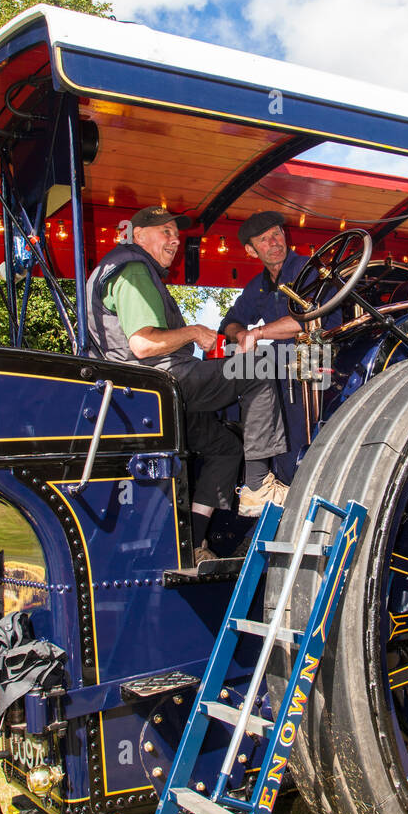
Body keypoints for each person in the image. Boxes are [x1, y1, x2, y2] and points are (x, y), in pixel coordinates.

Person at [86, 207, 289, 563]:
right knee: (257, 367)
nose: (174, 239)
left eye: (175, 233)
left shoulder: (123, 268)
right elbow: (143, 344)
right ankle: (258, 486)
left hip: (148, 393)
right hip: (160, 382)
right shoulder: (132, 269)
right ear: (139, 236)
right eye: (164, 231)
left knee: (225, 447)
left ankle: (193, 544)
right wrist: (195, 332)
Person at [221, 211, 336, 483]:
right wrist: (242, 335)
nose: (274, 242)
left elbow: (311, 318)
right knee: (228, 369)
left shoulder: (307, 269)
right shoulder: (258, 286)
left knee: (293, 425)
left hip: (321, 356)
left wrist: (258, 333)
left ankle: (291, 481)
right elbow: (230, 321)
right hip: (284, 359)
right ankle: (247, 469)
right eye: (264, 239)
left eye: (277, 234)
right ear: (251, 251)